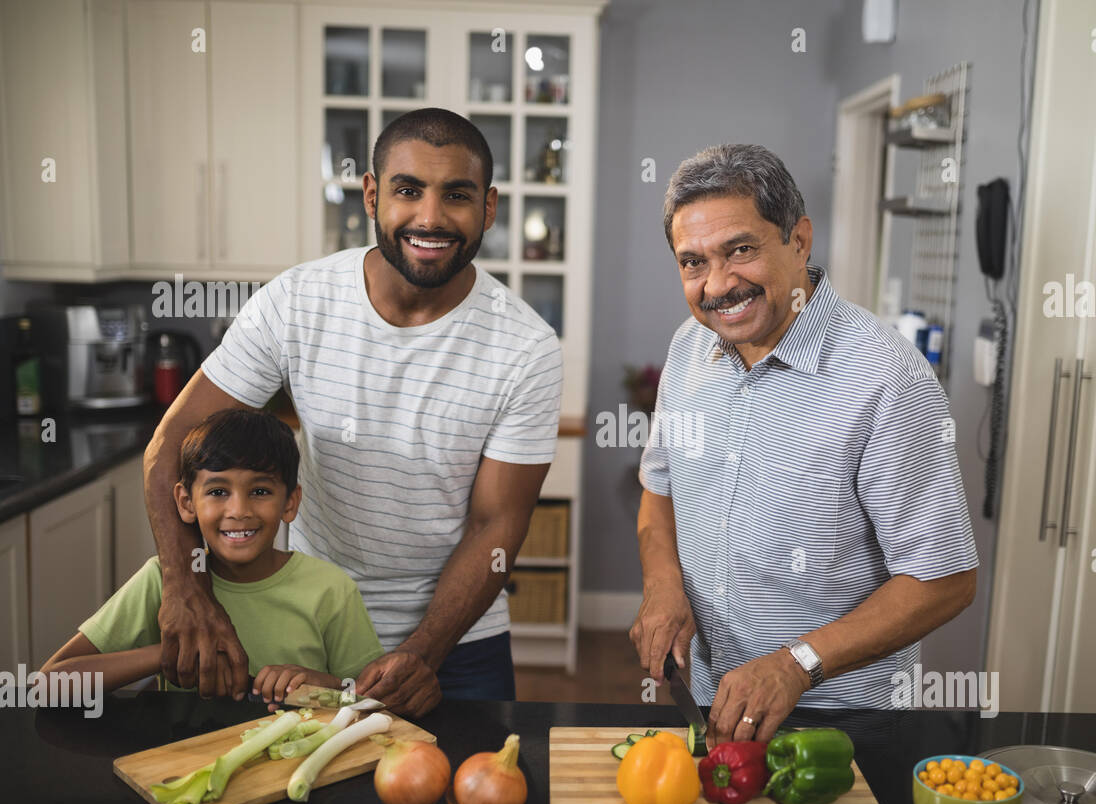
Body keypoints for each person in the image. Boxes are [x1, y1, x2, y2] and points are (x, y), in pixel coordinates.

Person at [143, 108, 561, 717]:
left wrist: (425, 649)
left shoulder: (527, 347)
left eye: (458, 196)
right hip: (305, 622)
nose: (431, 218)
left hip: (459, 642)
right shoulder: (296, 302)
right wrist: (185, 586)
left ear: (489, 209)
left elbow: (495, 527)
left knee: (468, 801)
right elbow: (171, 444)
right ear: (372, 195)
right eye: (408, 190)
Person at [630, 144, 979, 746]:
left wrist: (798, 664)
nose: (718, 285)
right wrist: (663, 584)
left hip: (845, 723)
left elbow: (944, 579)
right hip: (714, 704)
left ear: (799, 239)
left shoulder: (886, 376)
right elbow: (658, 492)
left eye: (741, 250)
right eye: (693, 262)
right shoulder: (688, 348)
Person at [42, 409, 383, 700]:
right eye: (218, 491)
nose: (238, 510)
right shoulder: (161, 580)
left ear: (290, 502)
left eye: (260, 491)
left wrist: (324, 686)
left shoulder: (331, 590)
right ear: (186, 502)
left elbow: (369, 696)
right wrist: (167, 653)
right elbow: (47, 686)